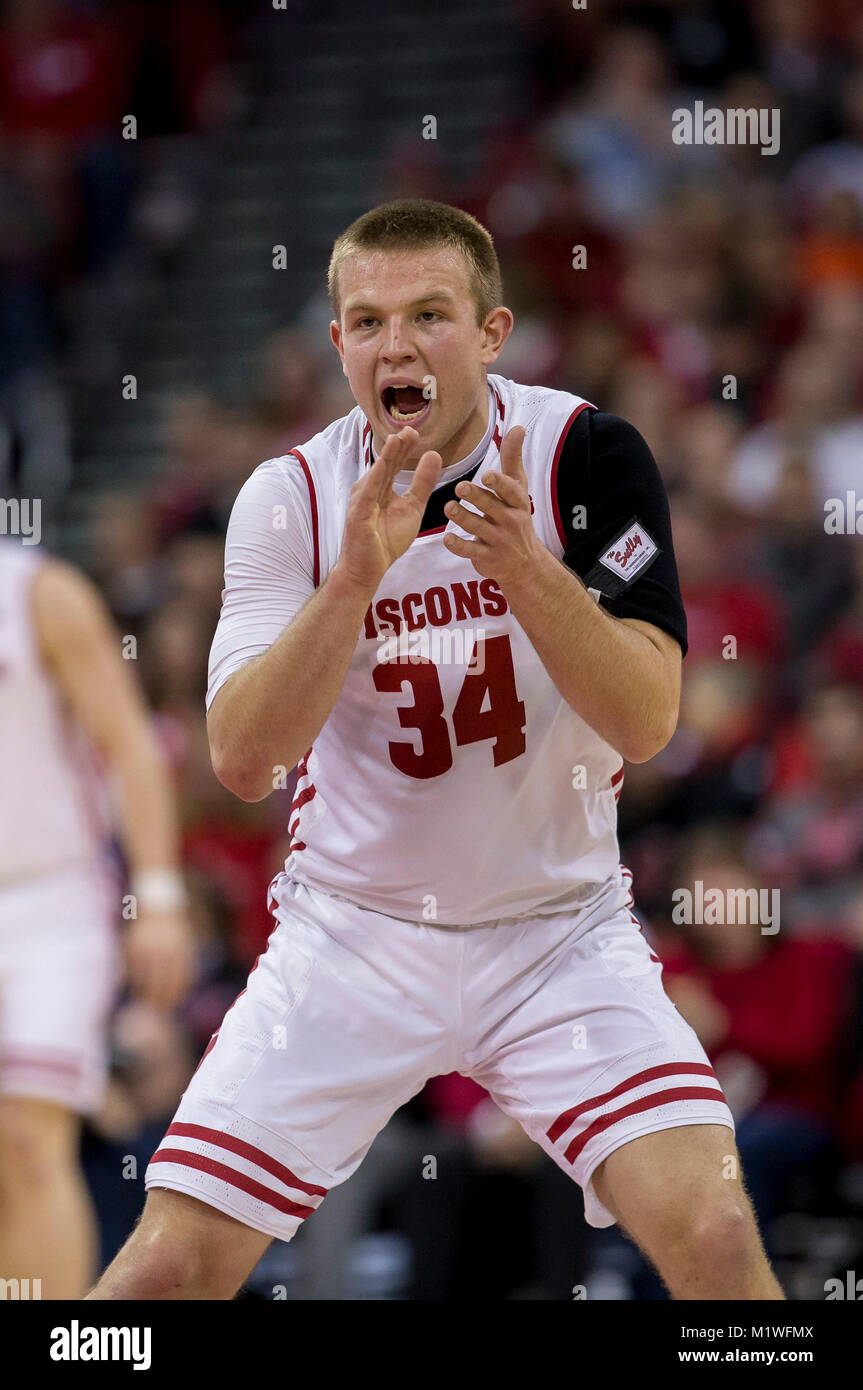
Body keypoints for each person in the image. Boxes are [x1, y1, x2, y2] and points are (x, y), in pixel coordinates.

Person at [88, 198, 783, 1300]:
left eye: (428, 314)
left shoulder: (582, 457)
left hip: (557, 932)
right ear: (337, 345)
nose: (397, 344)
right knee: (162, 1271)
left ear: (492, 331)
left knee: (713, 1240)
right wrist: (357, 576)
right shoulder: (292, 499)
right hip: (353, 935)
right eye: (366, 321)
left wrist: (524, 566)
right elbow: (240, 758)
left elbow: (647, 718)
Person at [0, 537, 195, 1297]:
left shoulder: (38, 592)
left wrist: (160, 898)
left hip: (52, 899)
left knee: (27, 1140)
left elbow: (129, 745)